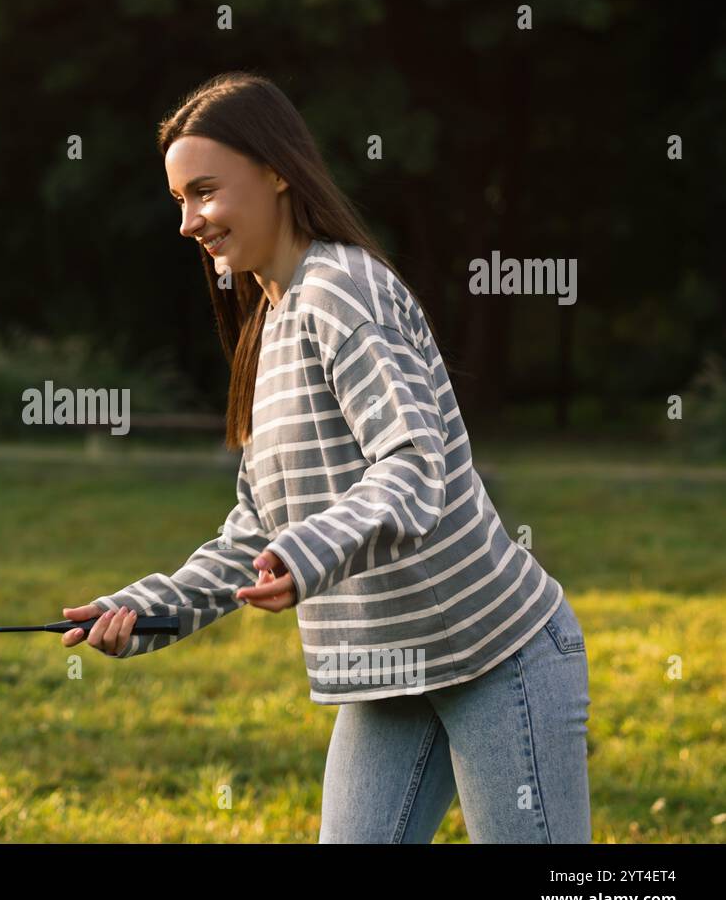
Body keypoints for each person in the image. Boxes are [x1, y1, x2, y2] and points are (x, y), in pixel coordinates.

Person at [59, 71, 591, 843]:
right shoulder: (272, 324)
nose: (188, 221)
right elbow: (255, 529)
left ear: (276, 170)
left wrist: (306, 553)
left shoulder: (344, 291)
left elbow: (415, 468)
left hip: (496, 655)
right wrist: (148, 609)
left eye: (204, 191)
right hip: (391, 675)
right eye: (180, 199)